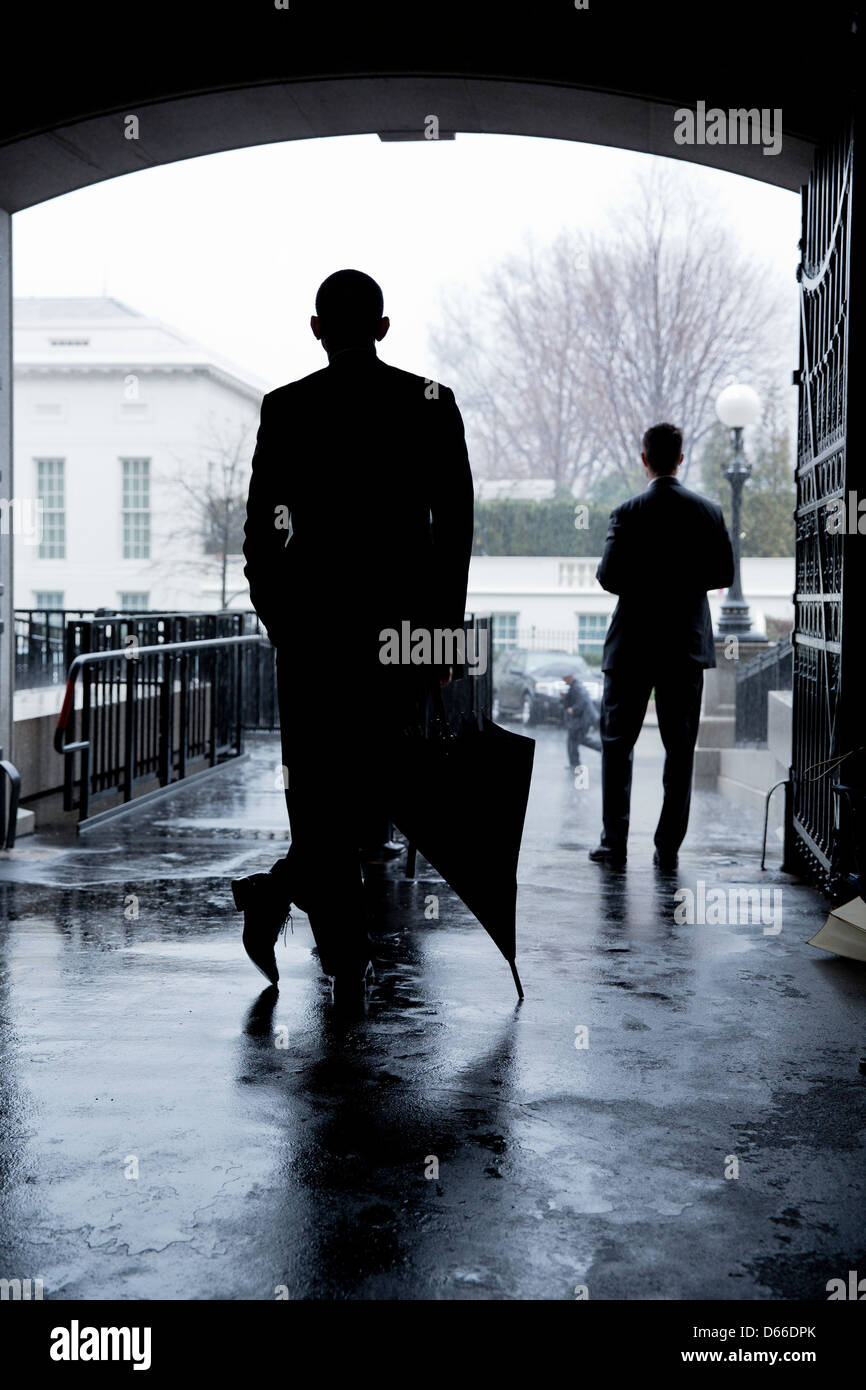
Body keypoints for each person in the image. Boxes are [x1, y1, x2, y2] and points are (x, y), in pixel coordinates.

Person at [232, 270, 474, 999]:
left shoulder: (287, 407)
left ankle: (332, 943)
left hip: (312, 635)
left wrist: (281, 620)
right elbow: (452, 529)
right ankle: (325, 939)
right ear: (383, 326)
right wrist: (441, 641)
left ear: (316, 328)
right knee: (372, 790)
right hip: (398, 638)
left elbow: (264, 531)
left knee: (317, 792)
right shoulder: (430, 403)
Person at [588, 422, 734, 872]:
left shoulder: (627, 512)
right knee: (680, 748)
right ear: (681, 458)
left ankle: (614, 843)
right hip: (684, 648)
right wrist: (683, 583)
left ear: (644, 459)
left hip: (632, 646)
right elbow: (724, 574)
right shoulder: (707, 512)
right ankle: (667, 846)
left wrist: (646, 582)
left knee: (617, 745)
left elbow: (609, 577)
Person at [562, 671, 600, 770]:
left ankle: (603, 749)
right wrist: (565, 697)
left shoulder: (577, 687)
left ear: (570, 676)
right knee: (574, 739)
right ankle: (574, 763)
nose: (563, 679)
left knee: (577, 739)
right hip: (582, 719)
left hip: (583, 719)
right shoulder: (574, 686)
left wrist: (573, 709)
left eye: (564, 677)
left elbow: (582, 701)